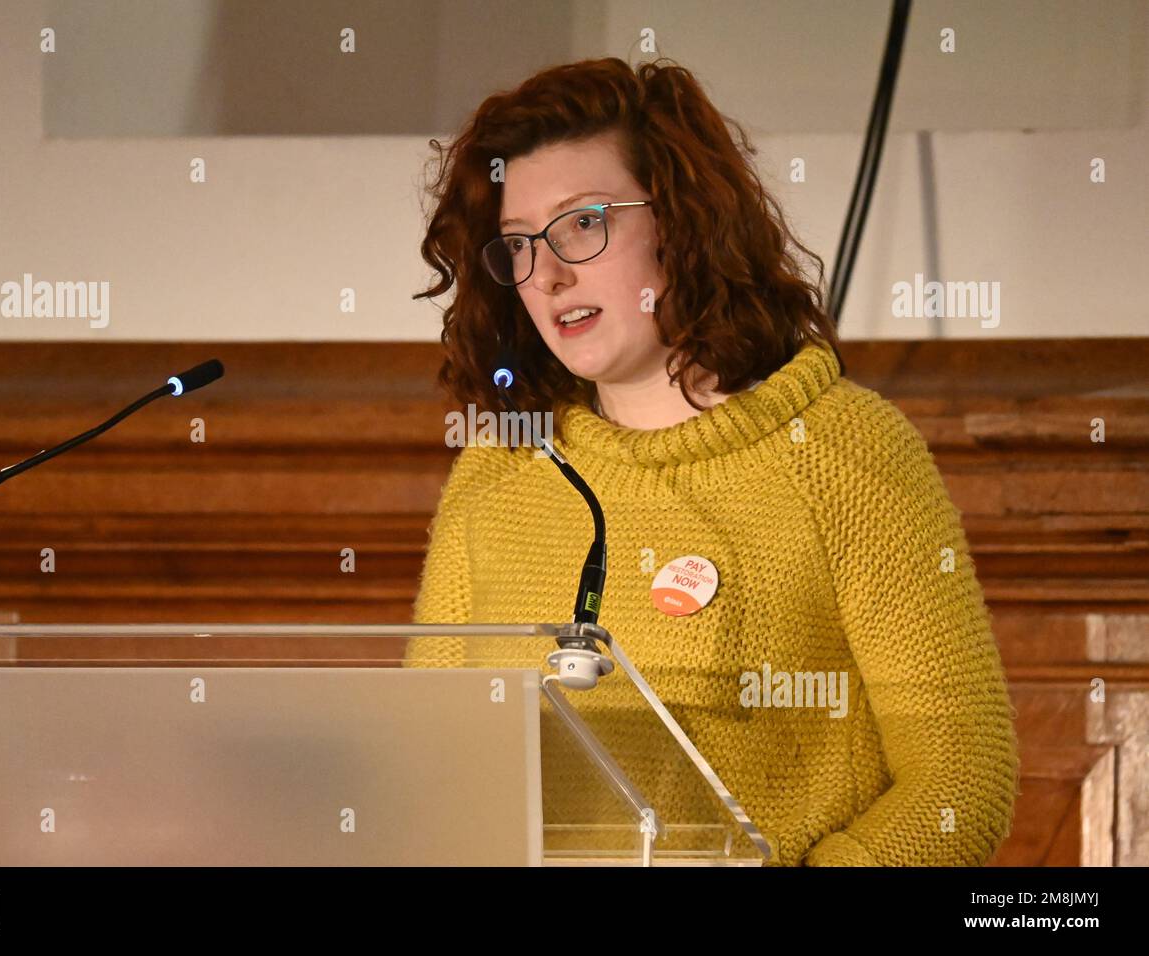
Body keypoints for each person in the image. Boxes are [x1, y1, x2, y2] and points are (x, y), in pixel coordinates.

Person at [408, 57, 1018, 866]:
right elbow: (427, 774)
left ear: (683, 219)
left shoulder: (845, 455)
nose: (547, 274)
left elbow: (961, 782)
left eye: (583, 223)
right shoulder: (498, 473)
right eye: (518, 245)